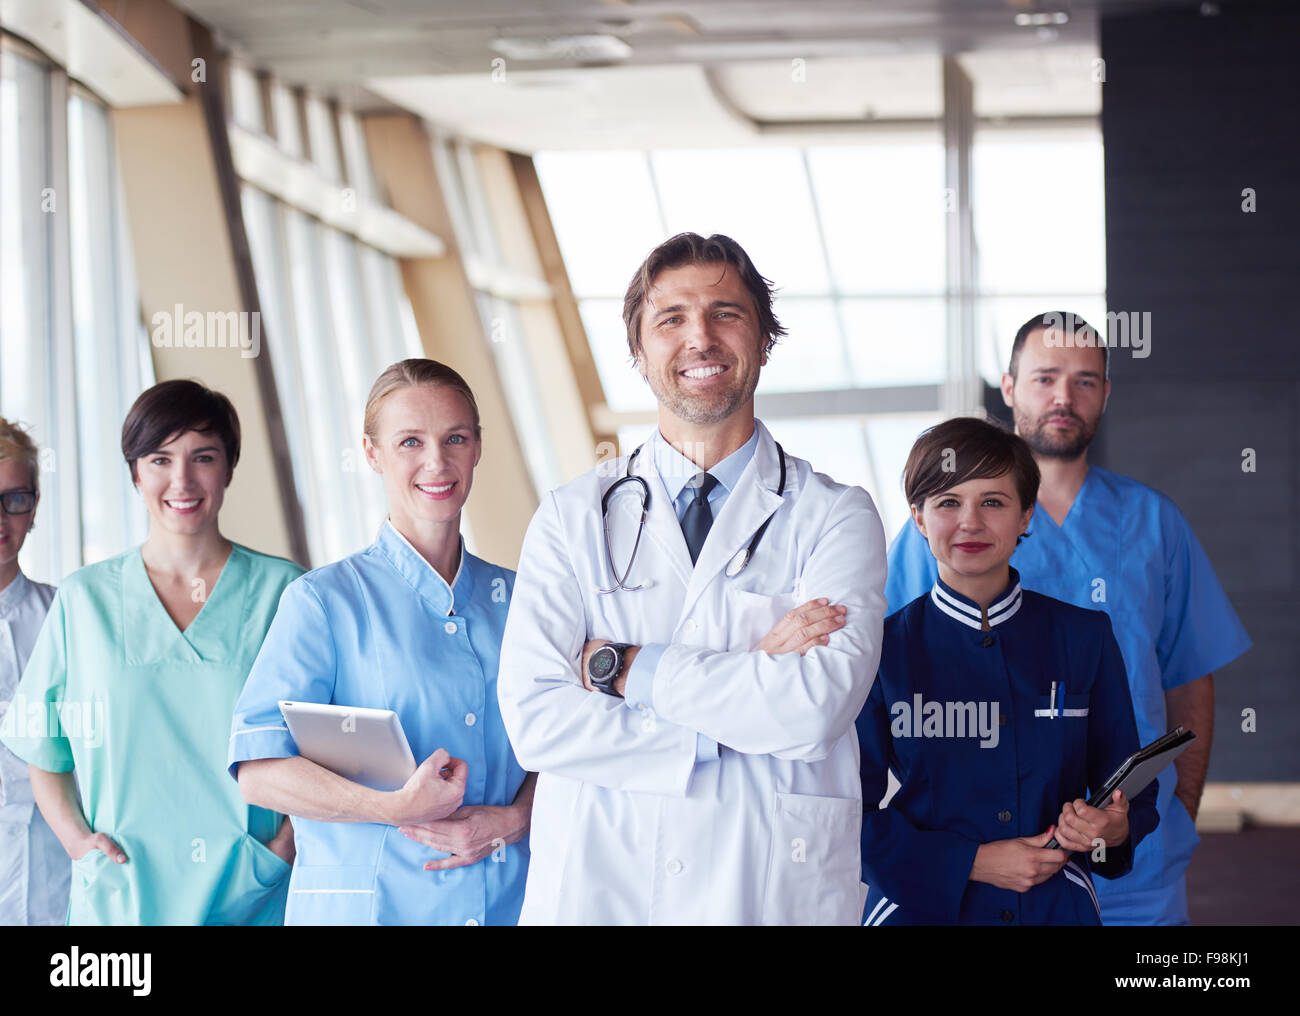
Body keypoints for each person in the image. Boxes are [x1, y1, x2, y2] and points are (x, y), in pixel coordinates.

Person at [498, 233, 887, 925]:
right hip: (602, 888)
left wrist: (627, 670)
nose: (700, 338)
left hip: (766, 892)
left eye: (726, 313)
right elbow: (537, 720)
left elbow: (814, 709)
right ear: (639, 353)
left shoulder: (834, 516)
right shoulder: (570, 517)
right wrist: (747, 680)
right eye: (670, 318)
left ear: (764, 340)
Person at [884, 312, 1251, 925]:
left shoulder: (1154, 523)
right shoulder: (938, 534)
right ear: (1008, 387)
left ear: (1105, 394)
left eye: (1085, 380)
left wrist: (1175, 810)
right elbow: (884, 679)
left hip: (1132, 855)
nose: (1063, 396)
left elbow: (1189, 674)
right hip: (985, 860)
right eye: (1045, 376)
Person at [230, 359, 533, 926]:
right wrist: (388, 808)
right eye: (410, 442)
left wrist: (513, 821)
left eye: (455, 438)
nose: (436, 462)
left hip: (508, 906)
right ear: (371, 453)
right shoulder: (324, 602)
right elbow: (258, 771)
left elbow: (568, 749)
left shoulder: (521, 599)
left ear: (478, 447)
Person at [0, 381, 303, 925]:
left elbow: (331, 747)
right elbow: (41, 749)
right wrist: (76, 842)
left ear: (229, 468)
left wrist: (287, 846)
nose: (181, 480)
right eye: (160, 459)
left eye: (202, 457)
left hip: (252, 894)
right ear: (136, 471)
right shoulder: (84, 600)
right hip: (121, 903)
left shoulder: (287, 593)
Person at [859, 416, 1159, 925]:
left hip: (1054, 908)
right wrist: (972, 863)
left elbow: (1129, 792)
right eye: (948, 503)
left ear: (1026, 515)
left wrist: (1111, 830)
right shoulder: (880, 650)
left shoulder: (1084, 637)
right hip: (920, 911)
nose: (970, 523)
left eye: (993, 502)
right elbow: (846, 811)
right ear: (918, 518)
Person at [0, 418, 69, 925]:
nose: (1, 518)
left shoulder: (69, 616)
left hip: (60, 871)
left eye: (14, 498)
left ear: (35, 506)